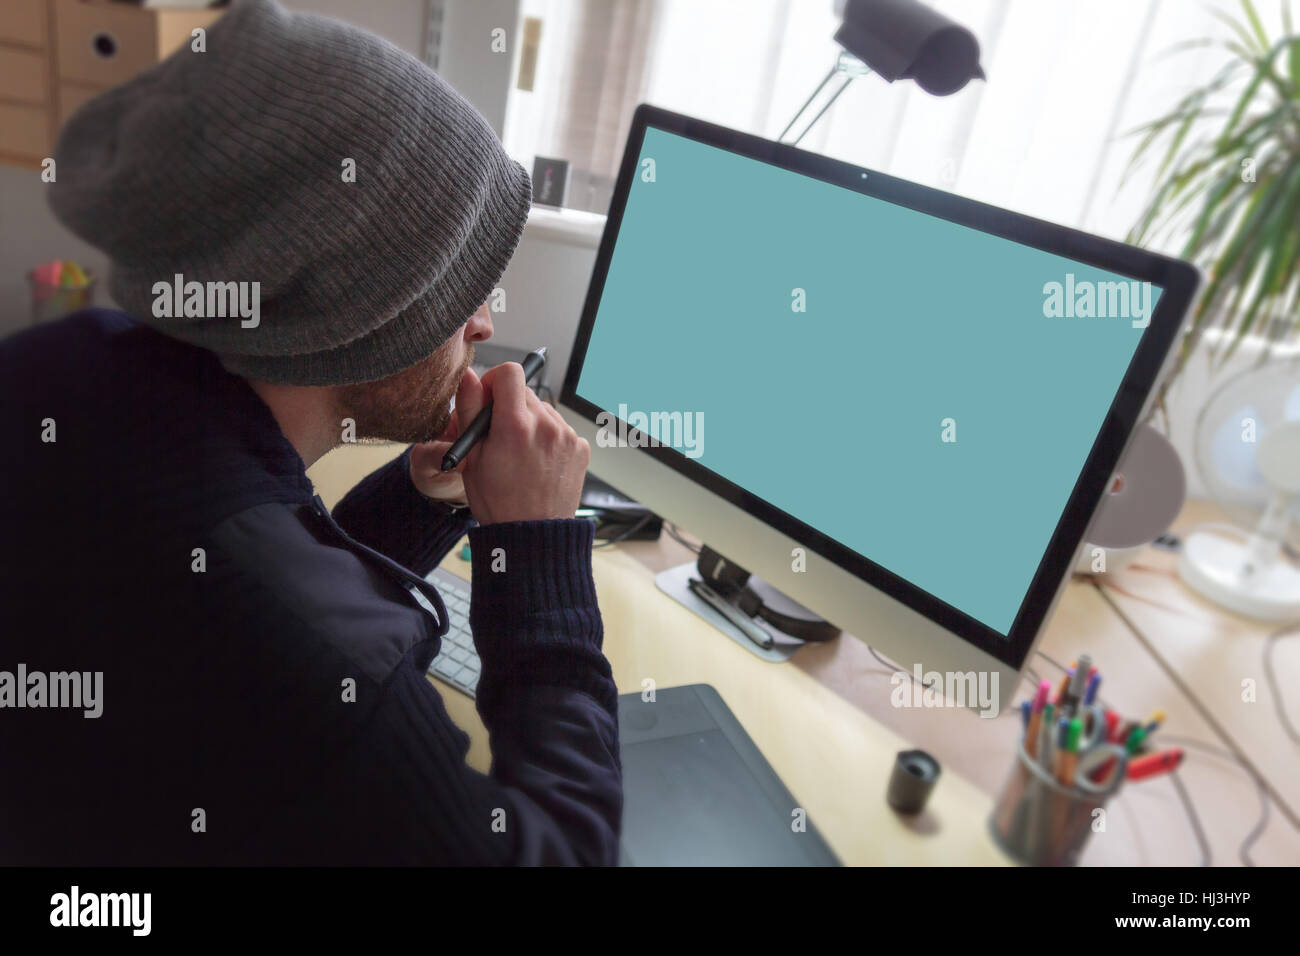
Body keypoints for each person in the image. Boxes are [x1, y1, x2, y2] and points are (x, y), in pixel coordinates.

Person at [0, 0, 621, 865]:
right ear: (358, 309)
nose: (484, 321)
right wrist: (542, 553)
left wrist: (416, 493)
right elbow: (564, 855)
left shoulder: (66, 362)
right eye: (463, 286)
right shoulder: (325, 677)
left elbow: (245, 569)